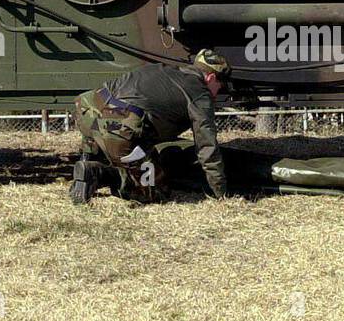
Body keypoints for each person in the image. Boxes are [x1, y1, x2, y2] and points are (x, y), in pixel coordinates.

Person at [69, 49, 231, 204]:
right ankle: (101, 174)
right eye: (220, 85)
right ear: (210, 77)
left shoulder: (163, 69)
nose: (218, 92)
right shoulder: (200, 93)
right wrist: (219, 192)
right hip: (119, 128)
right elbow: (207, 146)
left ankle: (85, 165)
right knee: (157, 190)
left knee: (123, 139)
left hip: (86, 110)